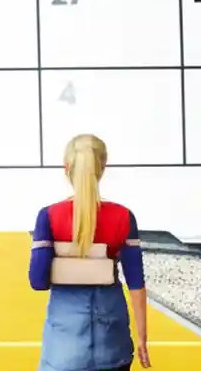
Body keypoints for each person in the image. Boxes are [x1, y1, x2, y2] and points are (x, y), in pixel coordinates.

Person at [29, 134, 151, 371]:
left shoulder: (49, 216)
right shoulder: (124, 217)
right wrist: (143, 340)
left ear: (67, 167)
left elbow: (38, 281)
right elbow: (136, 283)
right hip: (113, 343)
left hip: (63, 347)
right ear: (102, 168)